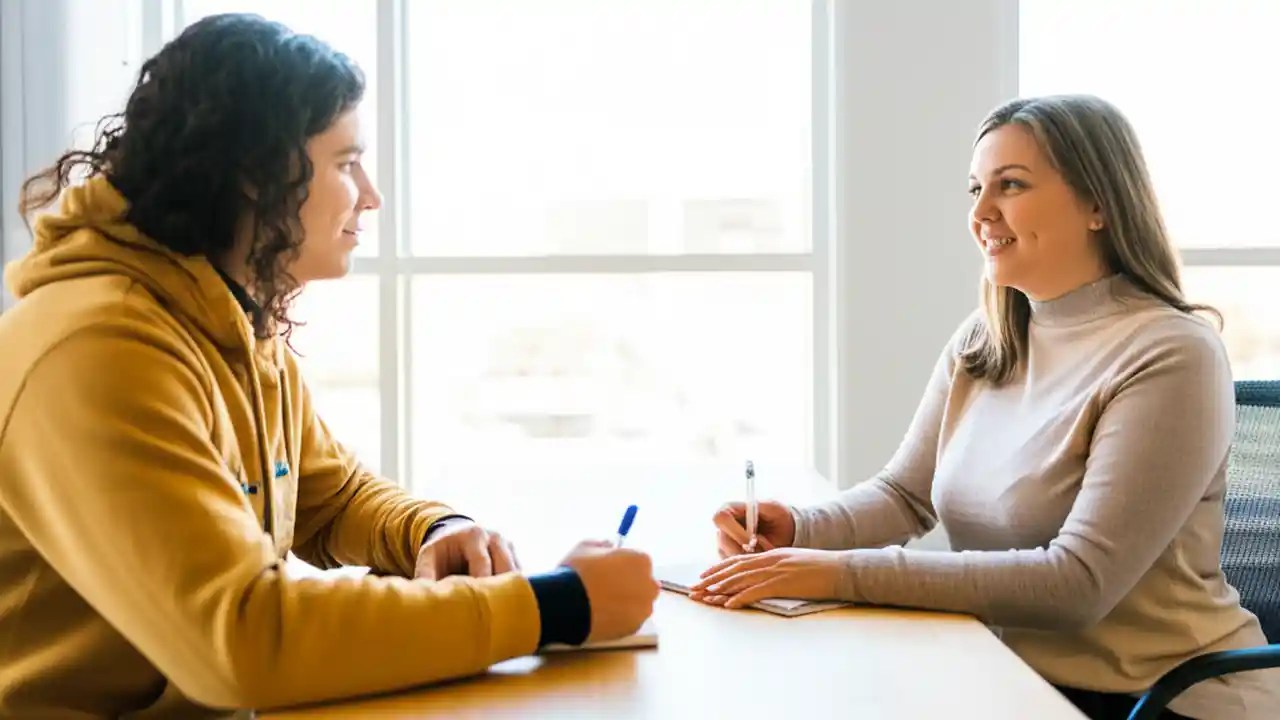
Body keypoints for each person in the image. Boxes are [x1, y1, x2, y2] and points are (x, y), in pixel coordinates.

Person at [0, 13, 657, 718]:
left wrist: (432, 532)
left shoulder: (220, 315)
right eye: (346, 163)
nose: (370, 194)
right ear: (257, 176)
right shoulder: (98, 350)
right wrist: (554, 605)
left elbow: (326, 495)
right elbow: (247, 637)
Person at [696, 95, 1280, 720]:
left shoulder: (1171, 354)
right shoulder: (986, 338)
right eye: (975, 188)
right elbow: (905, 495)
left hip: (1160, 701)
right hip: (1012, 682)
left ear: (1099, 205)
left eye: (1012, 185)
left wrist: (831, 572)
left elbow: (1077, 584)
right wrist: (801, 530)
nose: (980, 212)